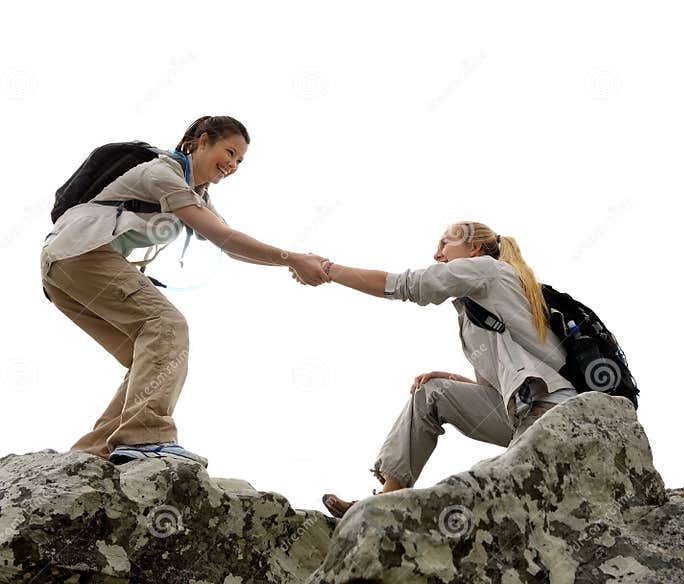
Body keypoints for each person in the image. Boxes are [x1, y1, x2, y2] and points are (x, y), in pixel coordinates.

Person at [40, 115, 330, 467]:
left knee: (147, 356)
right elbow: (223, 237)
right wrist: (294, 259)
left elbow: (231, 244)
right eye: (229, 151)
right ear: (202, 141)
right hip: (81, 255)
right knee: (167, 326)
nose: (234, 165)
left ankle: (95, 454)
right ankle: (145, 438)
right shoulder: (162, 174)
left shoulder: (195, 193)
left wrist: (291, 260)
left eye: (240, 160)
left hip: (64, 266)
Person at [290, 221, 578, 517]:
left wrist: (327, 269)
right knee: (430, 393)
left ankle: (383, 508)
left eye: (445, 244)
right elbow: (498, 391)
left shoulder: (487, 269)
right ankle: (385, 501)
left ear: (474, 248)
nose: (437, 254)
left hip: (549, 411)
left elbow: (406, 285)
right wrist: (450, 378)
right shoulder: (478, 307)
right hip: (523, 412)